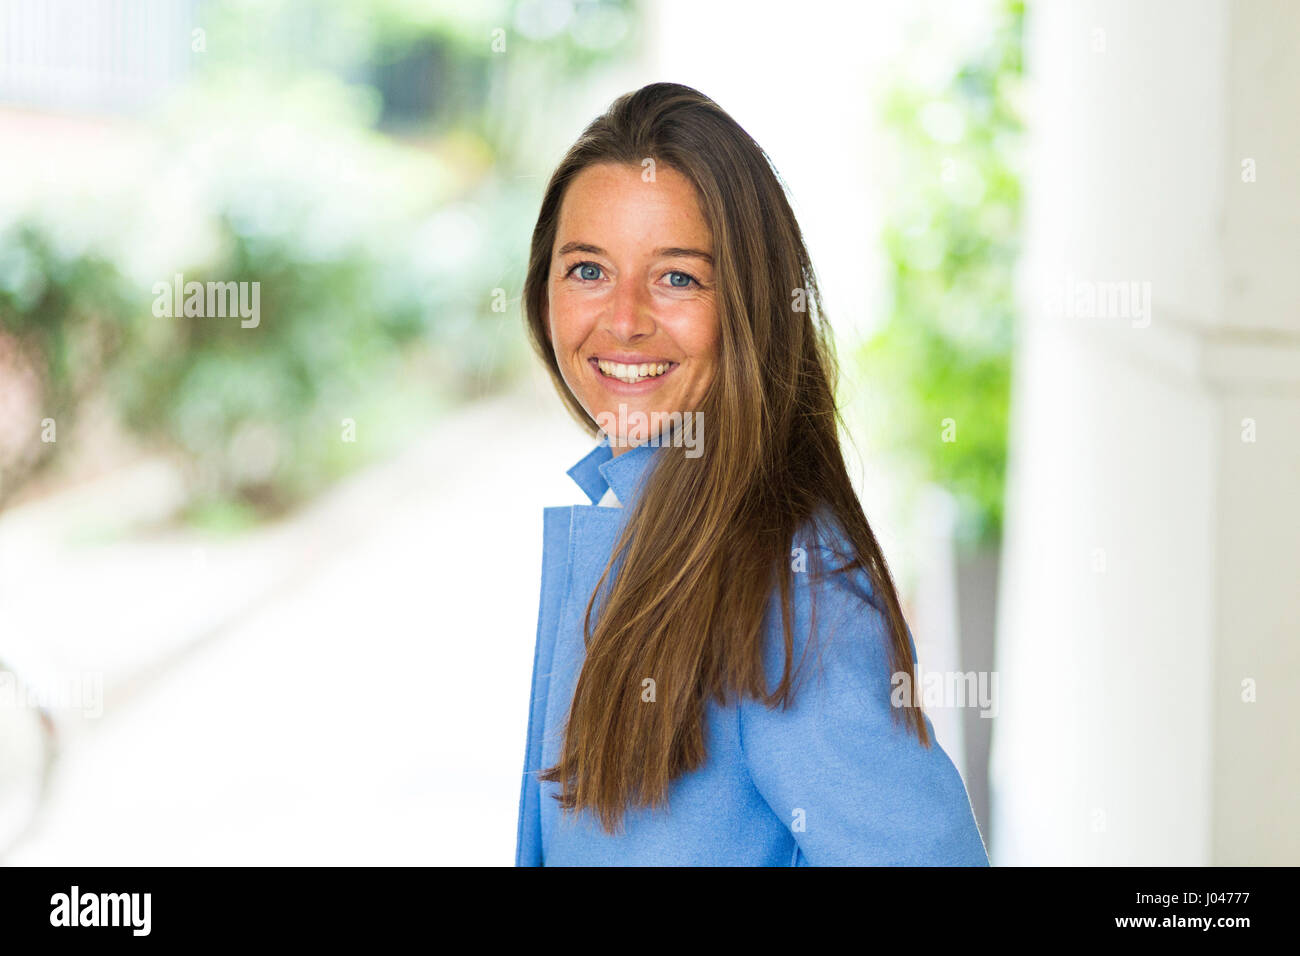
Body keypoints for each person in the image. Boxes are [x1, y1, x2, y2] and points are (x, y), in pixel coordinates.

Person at [515, 81, 989, 866]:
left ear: (753, 303)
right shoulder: (636, 514)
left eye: (677, 278)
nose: (623, 318)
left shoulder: (788, 586)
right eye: (588, 269)